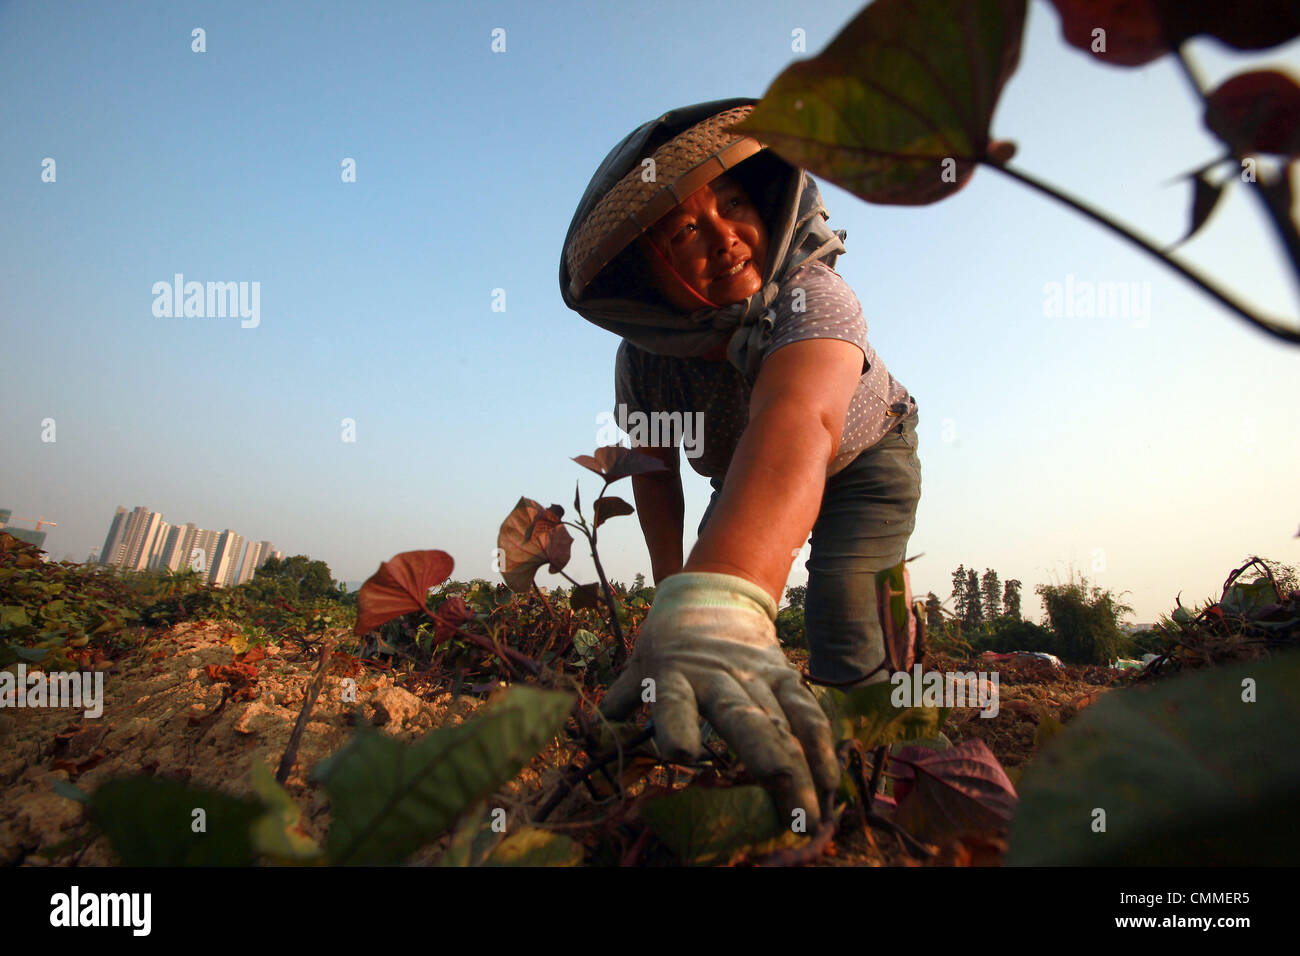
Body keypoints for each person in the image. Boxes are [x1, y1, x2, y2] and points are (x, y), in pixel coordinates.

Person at [559, 98, 921, 830]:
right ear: (643, 280)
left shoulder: (812, 295)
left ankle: (873, 772)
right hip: (743, 469)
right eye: (688, 230)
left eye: (732, 205)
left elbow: (800, 421)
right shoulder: (645, 362)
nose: (724, 237)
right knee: (702, 609)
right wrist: (677, 597)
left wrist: (723, 600)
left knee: (844, 611)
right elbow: (657, 475)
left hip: (864, 458)